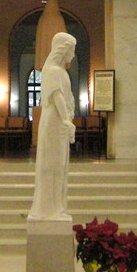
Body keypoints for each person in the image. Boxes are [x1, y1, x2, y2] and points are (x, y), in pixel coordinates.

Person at [29, 32, 77, 221]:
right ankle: (48, 208)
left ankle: (57, 207)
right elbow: (57, 97)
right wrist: (66, 120)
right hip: (54, 122)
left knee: (60, 165)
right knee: (52, 164)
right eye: (72, 50)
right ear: (63, 49)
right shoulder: (54, 71)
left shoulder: (60, 71)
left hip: (60, 121)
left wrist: (68, 120)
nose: (73, 54)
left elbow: (66, 98)